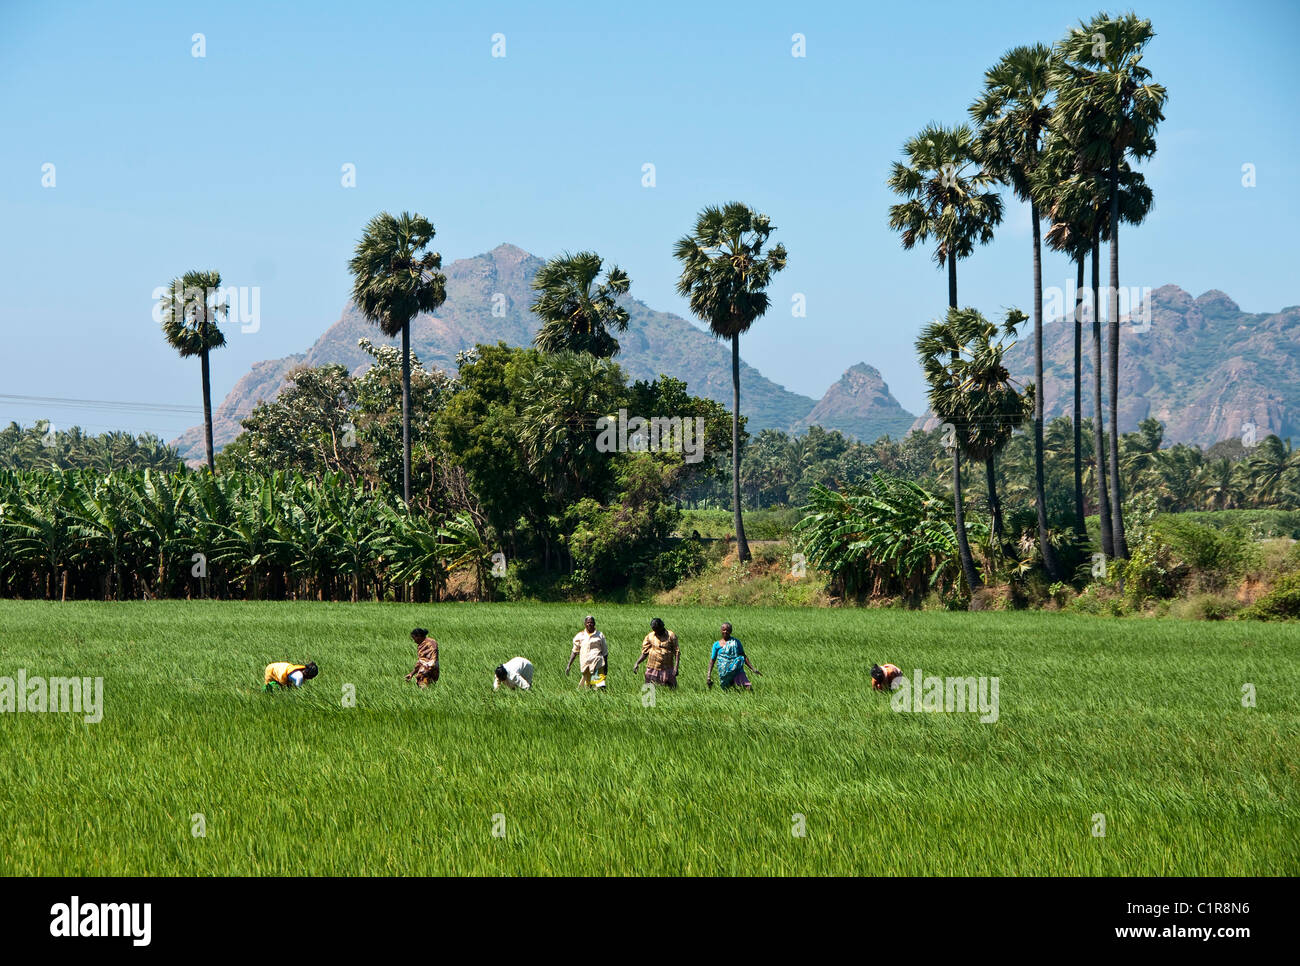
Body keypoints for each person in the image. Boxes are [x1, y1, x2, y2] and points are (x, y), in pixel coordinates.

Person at [707, 623, 760, 691]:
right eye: (724, 630)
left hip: (736, 668)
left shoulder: (736, 642)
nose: (725, 631)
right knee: (728, 690)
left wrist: (753, 669)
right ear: (721, 630)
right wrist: (708, 676)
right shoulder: (716, 645)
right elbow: (712, 660)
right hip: (724, 672)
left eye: (728, 630)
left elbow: (743, 656)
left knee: (748, 687)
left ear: (731, 631)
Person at [633, 617, 680, 687]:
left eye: (657, 629)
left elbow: (677, 652)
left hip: (667, 667)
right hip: (652, 667)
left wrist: (676, 668)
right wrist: (637, 663)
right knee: (650, 688)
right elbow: (645, 653)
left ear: (662, 627)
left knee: (672, 687)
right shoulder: (650, 636)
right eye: (654, 630)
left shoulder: (671, 635)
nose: (656, 632)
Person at [566, 615, 608, 689]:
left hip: (597, 663)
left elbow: (605, 652)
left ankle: (600, 695)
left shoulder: (600, 635)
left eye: (591, 622)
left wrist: (606, 666)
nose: (590, 624)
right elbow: (575, 651)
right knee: (588, 687)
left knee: (600, 685)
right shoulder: (580, 636)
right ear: (585, 624)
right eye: (588, 622)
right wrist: (569, 665)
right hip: (586, 665)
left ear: (594, 623)